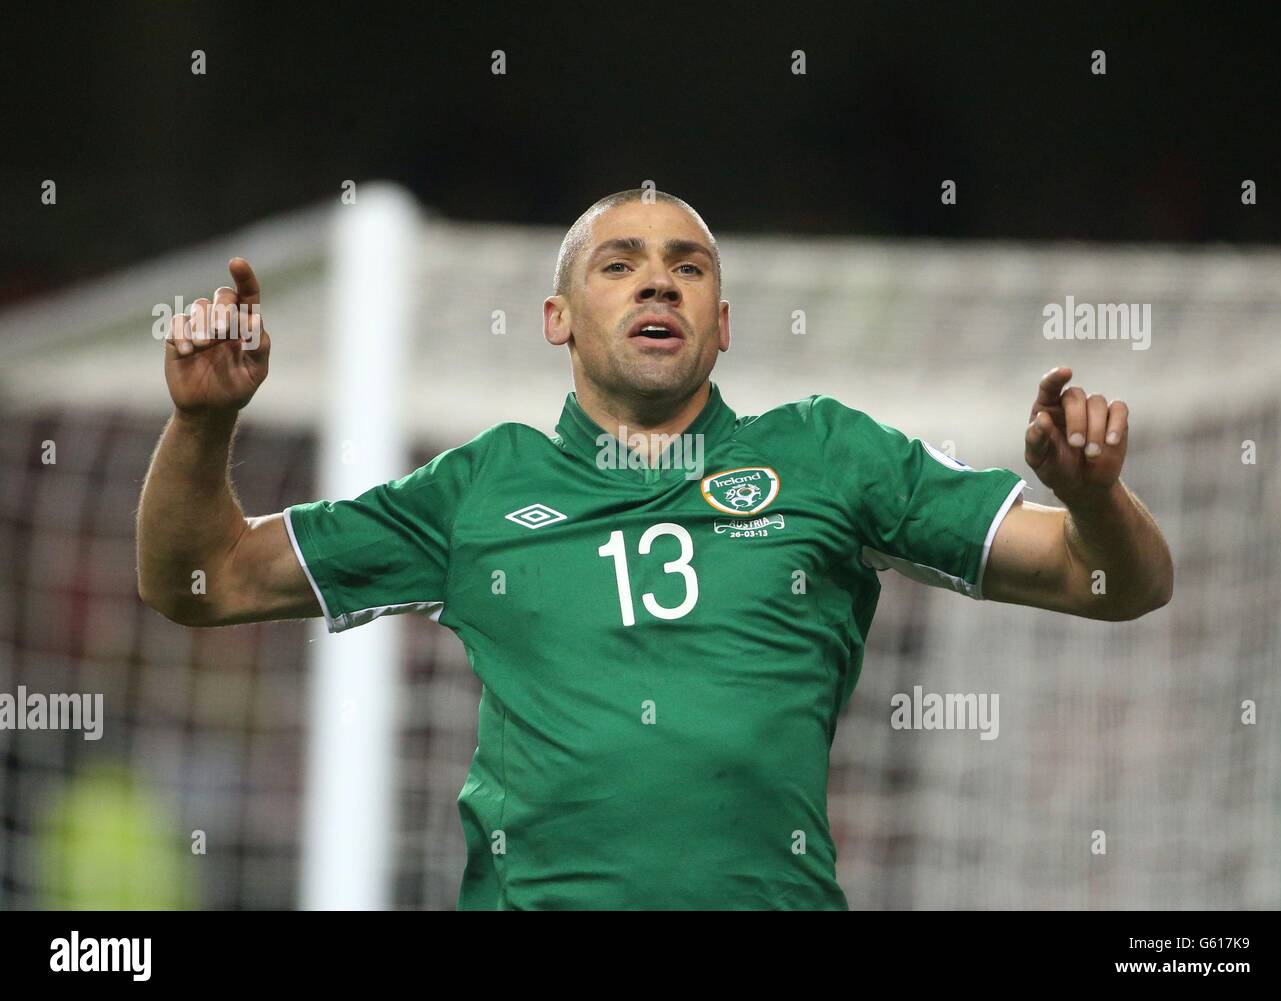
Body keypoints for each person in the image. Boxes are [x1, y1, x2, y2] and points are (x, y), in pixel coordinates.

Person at [136, 189, 1173, 909]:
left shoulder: (827, 454)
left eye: (688, 267)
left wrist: (1092, 497)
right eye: (618, 263)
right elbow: (201, 580)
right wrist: (201, 425)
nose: (658, 283)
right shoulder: (481, 486)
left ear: (721, 324)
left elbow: (1114, 582)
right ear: (557, 317)